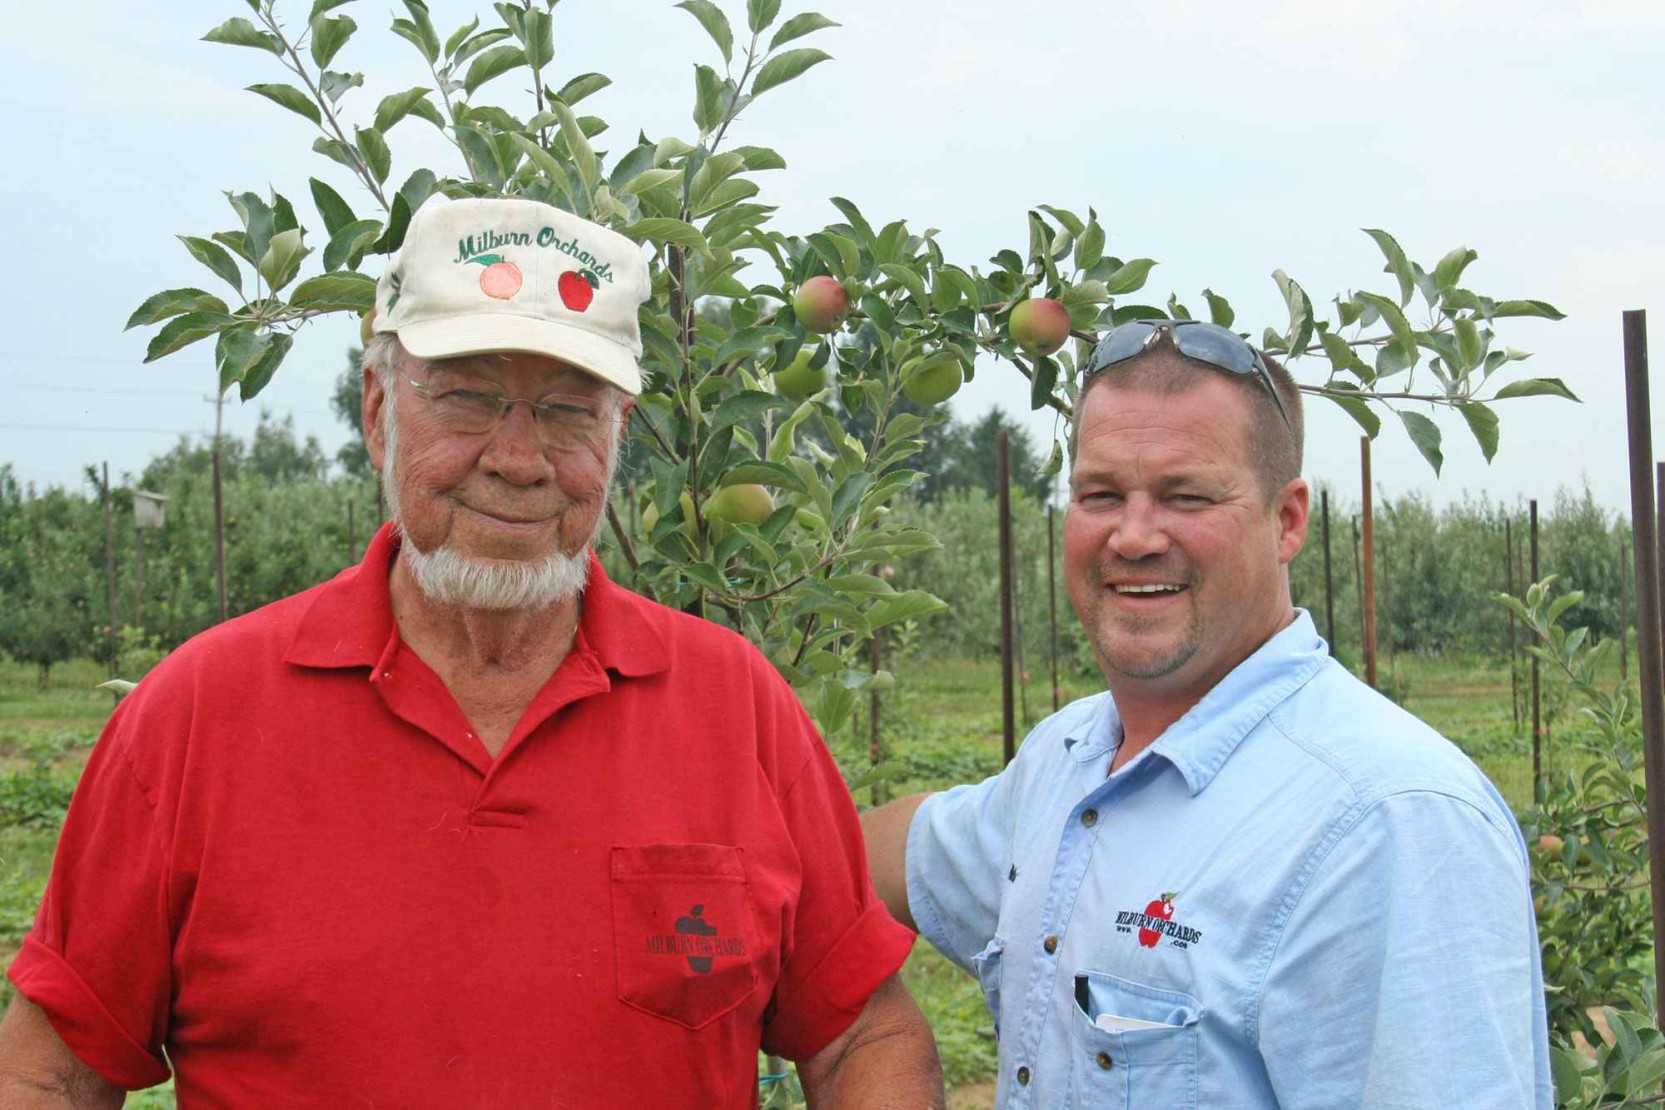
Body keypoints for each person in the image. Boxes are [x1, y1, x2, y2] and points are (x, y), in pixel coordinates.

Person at [0, 195, 944, 1108]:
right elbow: (50, 1071)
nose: (519, 458)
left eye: (571, 411)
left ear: (617, 436)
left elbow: (860, 1031)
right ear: (378, 412)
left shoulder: (732, 703)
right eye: (466, 399)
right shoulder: (197, 715)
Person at [862, 320, 1551, 1107]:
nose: (1132, 535)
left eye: (1184, 496)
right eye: (1100, 495)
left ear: (1287, 520)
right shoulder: (1069, 758)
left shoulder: (1388, 823)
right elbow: (899, 853)